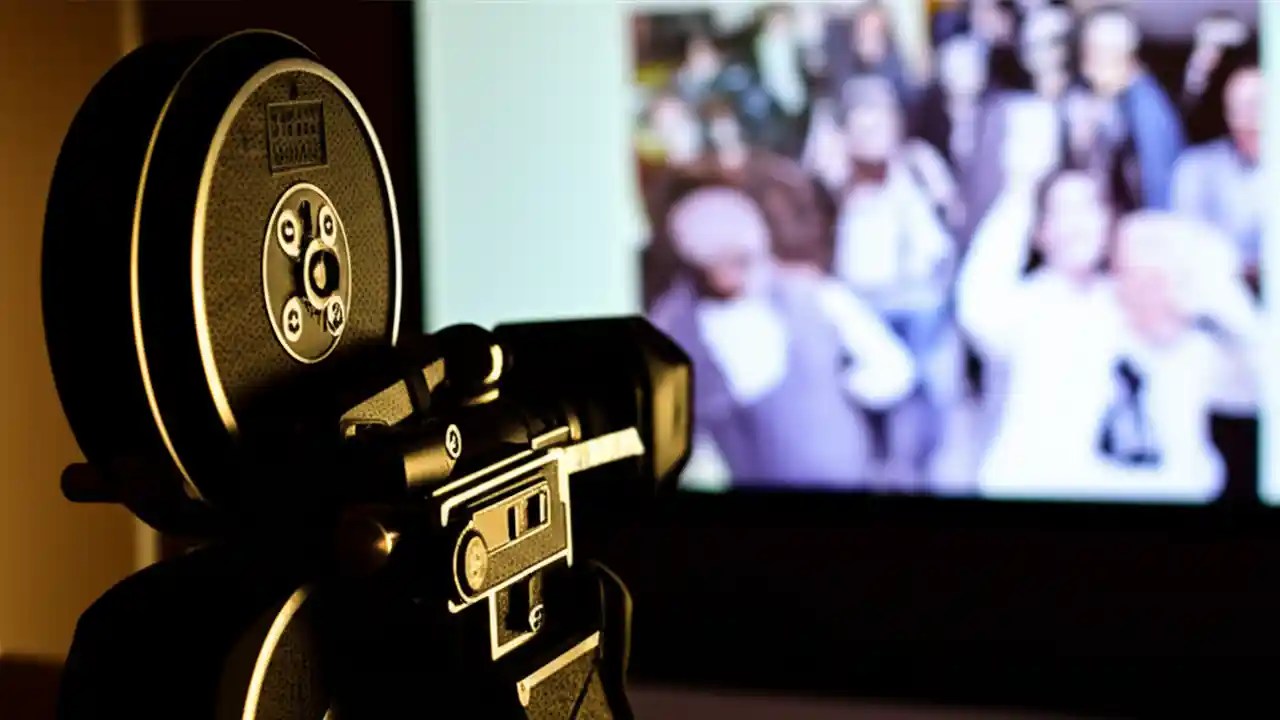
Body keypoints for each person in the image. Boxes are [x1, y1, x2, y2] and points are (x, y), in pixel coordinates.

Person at [648, 185, 916, 490]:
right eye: (716, 262)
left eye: (739, 259)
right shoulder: (671, 327)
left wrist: (838, 389)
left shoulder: (813, 295)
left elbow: (894, 371)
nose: (729, 273)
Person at [831, 76, 955, 486]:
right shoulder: (836, 176)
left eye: (880, 124)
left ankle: (914, 474)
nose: (873, 136)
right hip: (863, 305)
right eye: (862, 128)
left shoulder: (918, 162)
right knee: (871, 403)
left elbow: (951, 219)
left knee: (923, 404)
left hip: (919, 303)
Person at [1172, 41, 1262, 288]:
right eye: (1239, 109)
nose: (1250, 120)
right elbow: (1187, 246)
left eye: (1259, 106)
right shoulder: (1197, 169)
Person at [1078, 6, 1185, 210]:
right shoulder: (1120, 101)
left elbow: (1157, 187)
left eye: (1094, 54)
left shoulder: (1148, 111)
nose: (1087, 67)